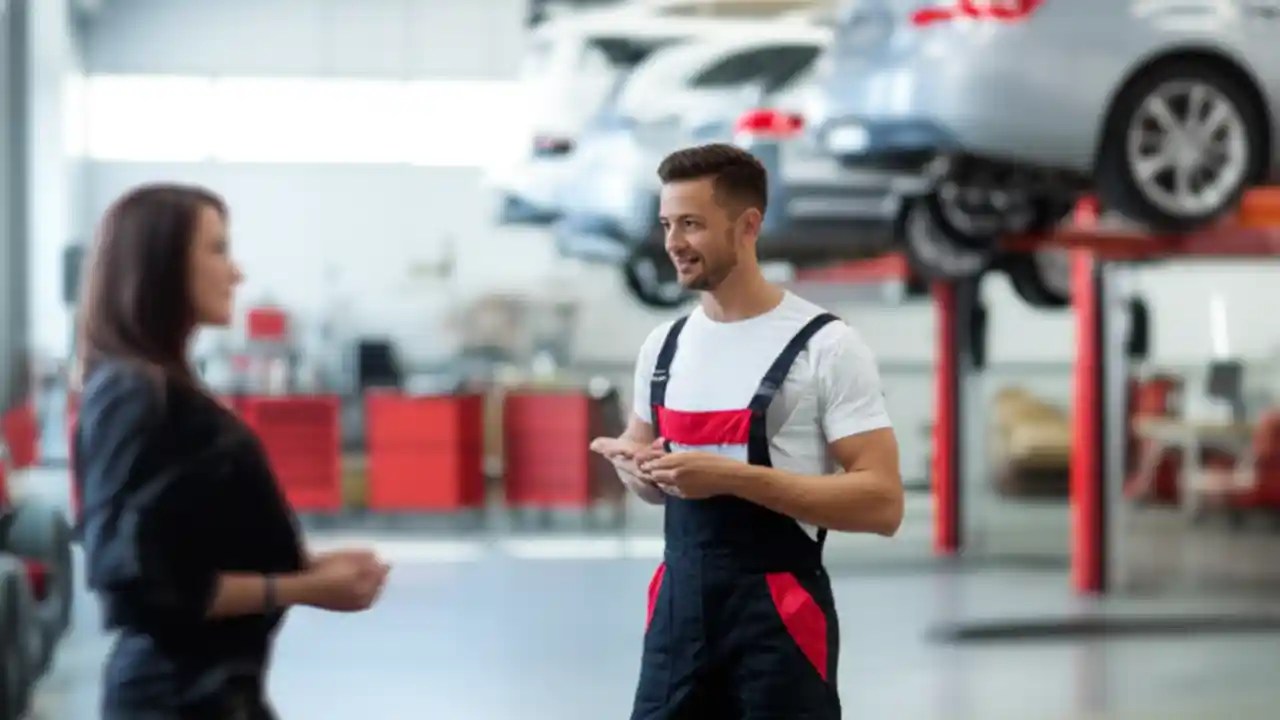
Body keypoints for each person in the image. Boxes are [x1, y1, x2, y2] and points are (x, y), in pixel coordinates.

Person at [590, 144, 904, 719]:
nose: (673, 242)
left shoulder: (826, 347)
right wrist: (636, 469)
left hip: (778, 616)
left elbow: (882, 503)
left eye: (691, 224)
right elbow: (648, 468)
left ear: (748, 226)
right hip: (678, 613)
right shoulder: (663, 348)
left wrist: (734, 478)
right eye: (666, 224)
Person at [73, 184, 390, 719]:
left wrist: (307, 567)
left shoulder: (157, 389)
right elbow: (139, 585)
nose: (236, 273)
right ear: (163, 264)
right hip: (176, 698)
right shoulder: (136, 395)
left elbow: (182, 553)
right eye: (217, 250)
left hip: (212, 692)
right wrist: (303, 586)